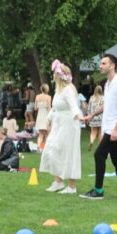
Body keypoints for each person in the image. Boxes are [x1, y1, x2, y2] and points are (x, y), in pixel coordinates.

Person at [81, 53, 117, 199]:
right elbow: (107, 105)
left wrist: (116, 129)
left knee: (99, 154)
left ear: (112, 66)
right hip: (109, 126)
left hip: (114, 128)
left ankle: (98, 190)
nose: (100, 66)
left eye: (104, 63)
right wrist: (92, 115)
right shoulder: (108, 84)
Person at [41, 60, 83, 193]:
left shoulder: (69, 90)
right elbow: (54, 108)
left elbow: (73, 105)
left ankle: (71, 186)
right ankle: (58, 181)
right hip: (59, 123)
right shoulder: (59, 90)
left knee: (69, 153)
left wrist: (79, 116)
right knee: (53, 149)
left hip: (69, 123)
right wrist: (48, 120)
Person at [33, 83, 52, 150]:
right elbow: (49, 108)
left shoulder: (37, 97)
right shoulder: (48, 97)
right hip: (46, 115)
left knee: (41, 134)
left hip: (40, 115)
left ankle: (39, 146)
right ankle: (46, 147)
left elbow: (35, 108)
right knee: (47, 133)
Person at [85, 81, 104, 147]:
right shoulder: (103, 98)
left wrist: (88, 116)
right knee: (100, 133)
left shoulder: (91, 98)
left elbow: (89, 108)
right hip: (100, 118)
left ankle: (91, 141)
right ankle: (100, 145)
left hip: (92, 117)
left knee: (93, 132)